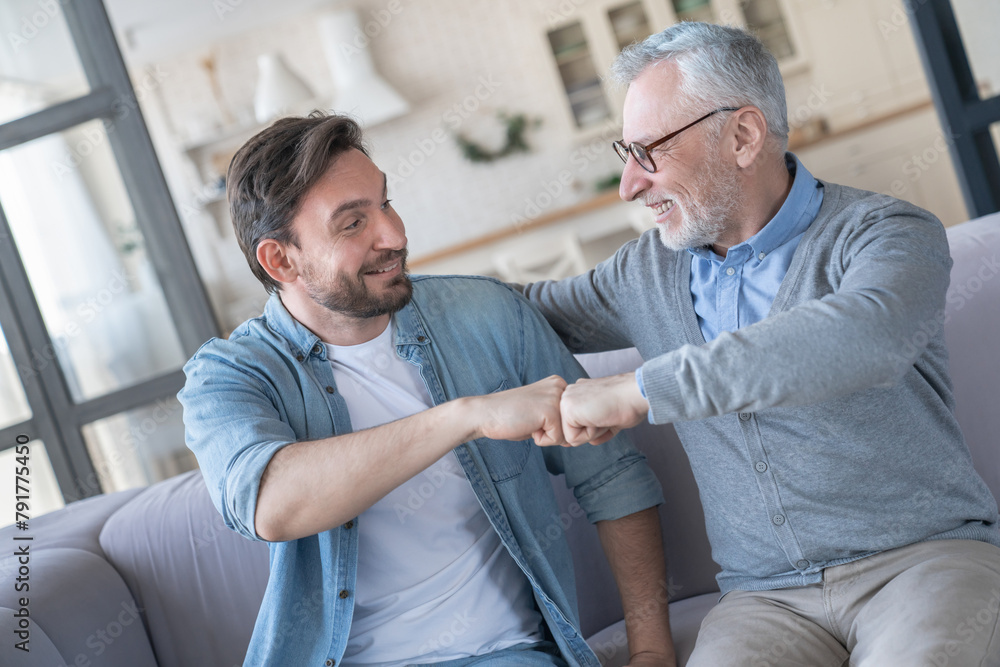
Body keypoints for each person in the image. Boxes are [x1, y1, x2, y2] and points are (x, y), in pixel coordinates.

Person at [521, 21, 1000, 666]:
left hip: (924, 560)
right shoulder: (645, 273)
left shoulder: (887, 233)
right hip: (763, 601)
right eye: (624, 152)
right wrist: (378, 276)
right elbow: (519, 313)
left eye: (650, 152)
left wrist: (640, 391)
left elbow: (862, 337)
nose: (630, 185)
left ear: (742, 136)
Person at [178, 112, 675, 667]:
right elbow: (272, 503)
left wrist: (651, 650)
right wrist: (465, 417)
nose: (394, 236)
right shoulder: (228, 377)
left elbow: (611, 477)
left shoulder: (487, 316)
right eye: (352, 224)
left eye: (385, 203)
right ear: (281, 259)